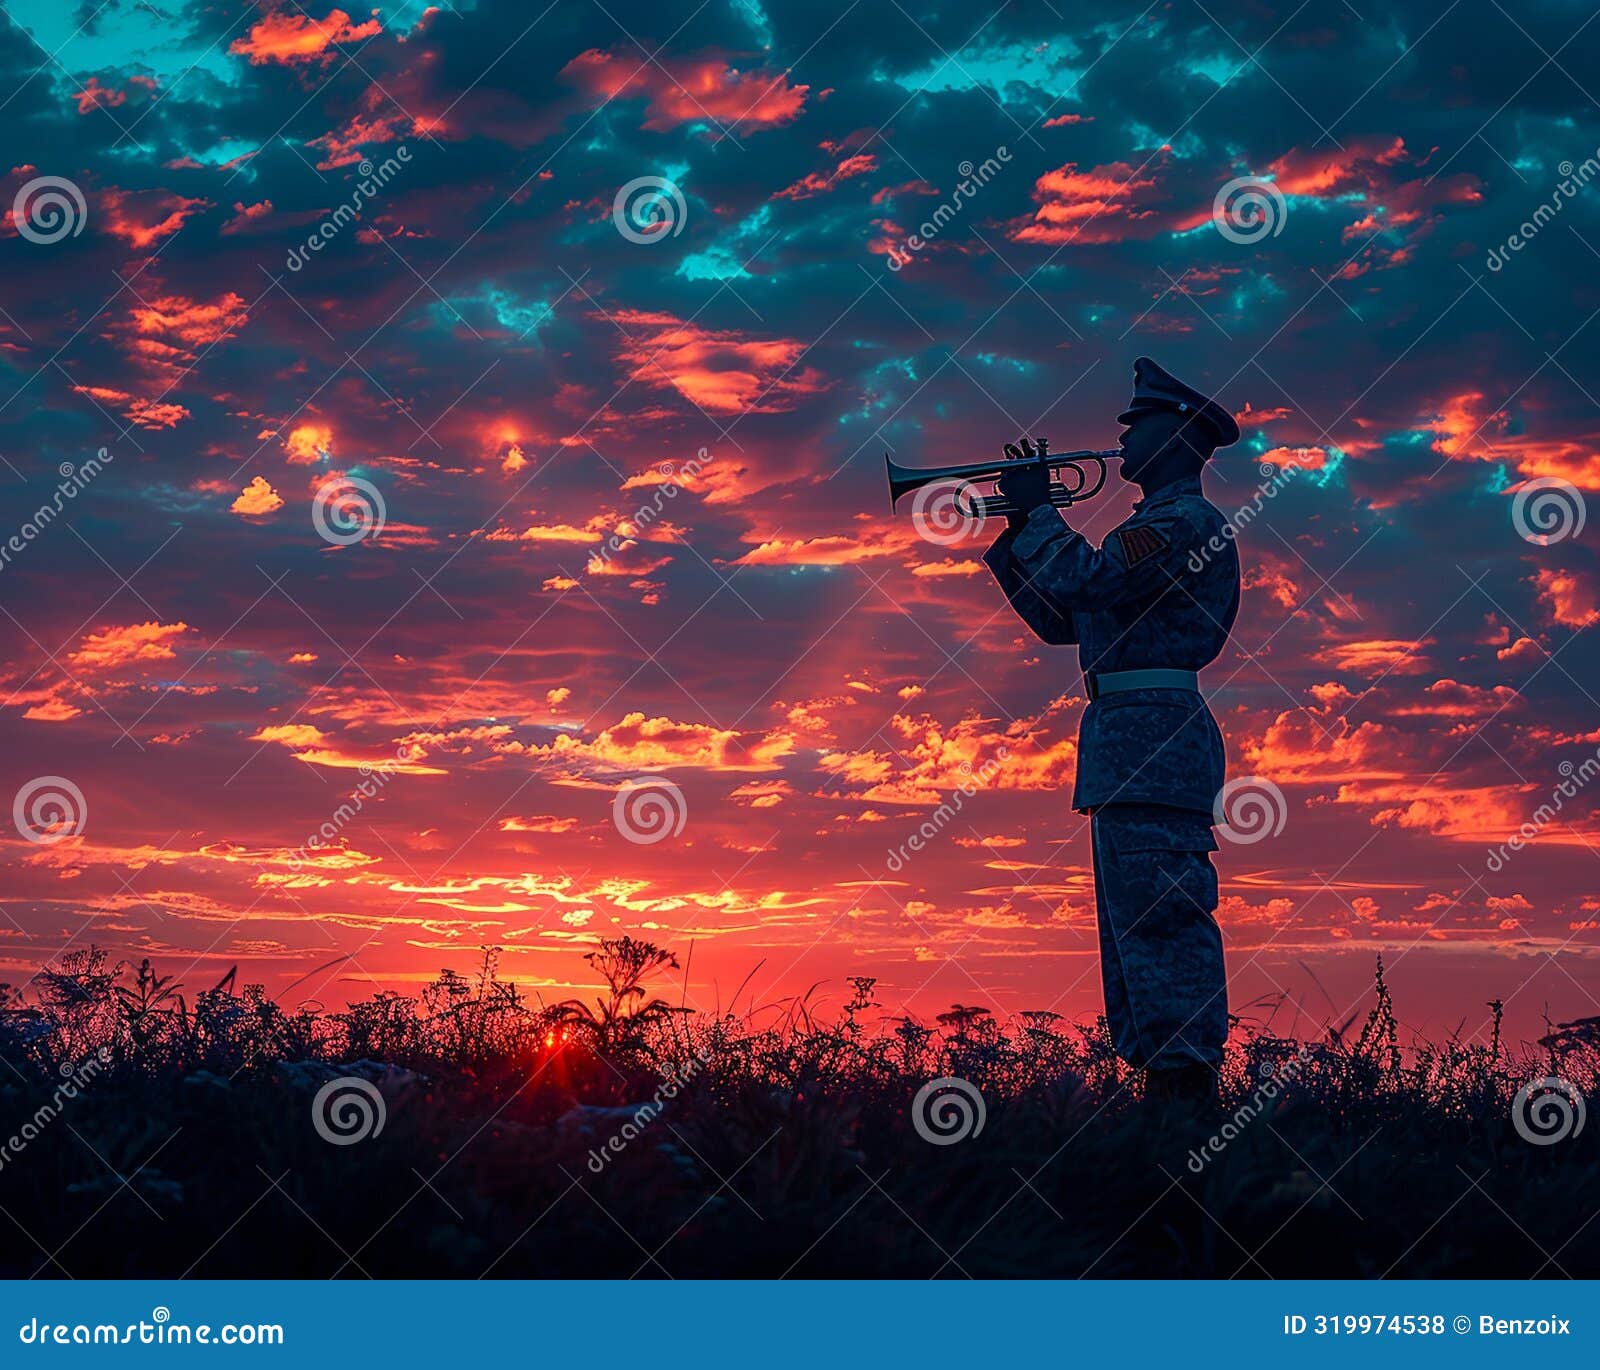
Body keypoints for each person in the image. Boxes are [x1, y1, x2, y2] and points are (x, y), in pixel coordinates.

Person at [982, 357, 1241, 1105]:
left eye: (1139, 425)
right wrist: (1019, 529)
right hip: (1129, 744)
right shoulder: (1150, 527)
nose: (1122, 438)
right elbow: (1062, 618)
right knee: (1133, 925)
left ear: (1177, 436)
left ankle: (1185, 1088)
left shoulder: (1182, 524)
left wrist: (1040, 512)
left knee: (1163, 917)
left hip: (1154, 742)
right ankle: (1164, 1085)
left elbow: (1087, 580)